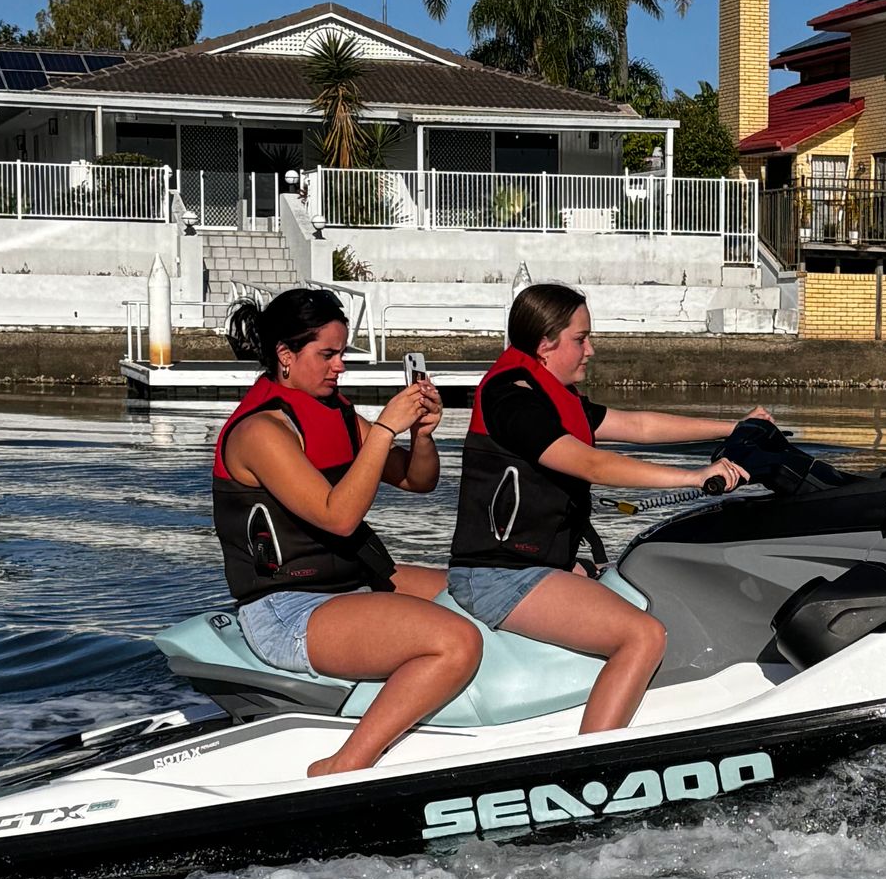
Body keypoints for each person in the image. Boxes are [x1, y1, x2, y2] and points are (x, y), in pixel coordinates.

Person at [447, 282, 767, 733]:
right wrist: (693, 477)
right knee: (643, 635)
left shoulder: (556, 396)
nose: (590, 350)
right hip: (498, 575)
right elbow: (588, 462)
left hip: (537, 565)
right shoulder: (512, 397)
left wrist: (736, 425)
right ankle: (593, 764)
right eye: (580, 339)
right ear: (545, 344)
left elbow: (637, 424)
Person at [215, 287, 480, 778]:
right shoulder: (261, 432)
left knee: (480, 592)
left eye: (342, 353)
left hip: (349, 579)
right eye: (328, 354)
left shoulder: (335, 412)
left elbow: (418, 481)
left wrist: (420, 435)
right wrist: (382, 430)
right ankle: (343, 766)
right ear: (285, 356)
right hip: (287, 608)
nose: (340, 366)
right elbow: (339, 517)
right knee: (456, 641)